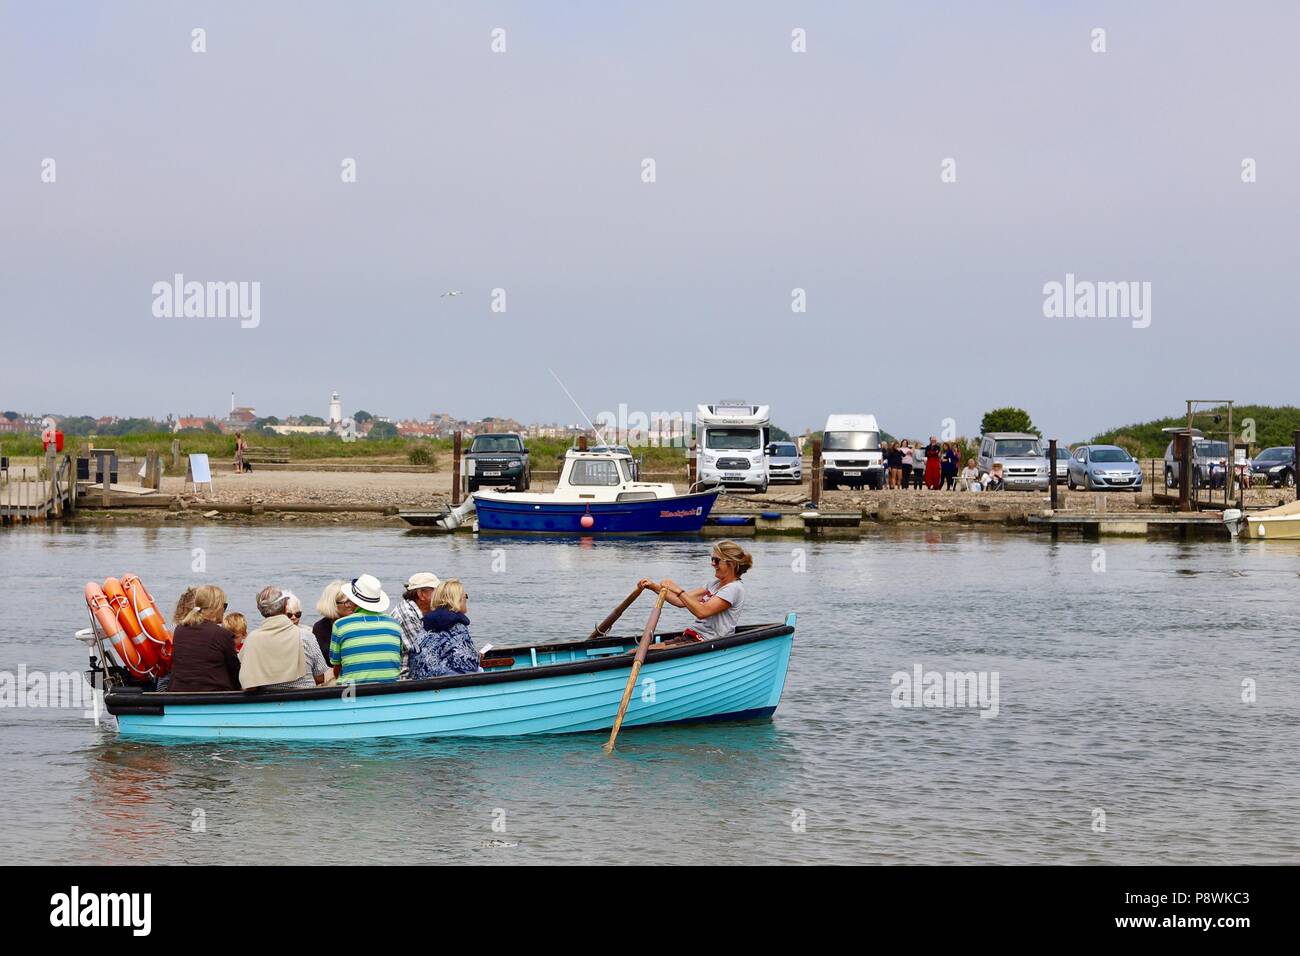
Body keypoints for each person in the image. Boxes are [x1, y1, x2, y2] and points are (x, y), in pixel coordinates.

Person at [639, 540, 751, 643]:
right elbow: (680, 601)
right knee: (634, 652)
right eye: (712, 559)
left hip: (708, 641)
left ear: (731, 564)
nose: (712, 564)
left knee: (635, 653)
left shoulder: (734, 589)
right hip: (692, 636)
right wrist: (654, 587)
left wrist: (677, 589)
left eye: (716, 560)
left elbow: (702, 612)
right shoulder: (713, 584)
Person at [330, 574, 403, 684]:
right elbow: (398, 659)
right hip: (390, 687)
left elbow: (336, 666)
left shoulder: (341, 625)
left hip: (352, 691)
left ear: (353, 601)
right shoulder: (394, 624)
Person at [169, 585, 240, 692]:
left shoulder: (179, 630)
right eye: (224, 606)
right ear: (217, 607)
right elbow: (235, 672)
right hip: (213, 695)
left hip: (179, 693)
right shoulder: (222, 634)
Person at [239, 586, 308, 691]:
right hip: (304, 694)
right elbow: (319, 676)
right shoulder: (305, 635)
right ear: (285, 607)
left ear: (260, 610)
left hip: (268, 698)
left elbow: (249, 685)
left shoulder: (252, 639)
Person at [410, 579, 481, 679]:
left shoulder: (426, 622)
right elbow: (469, 665)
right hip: (443, 685)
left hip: (420, 680)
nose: (466, 599)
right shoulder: (457, 626)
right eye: (465, 596)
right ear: (458, 599)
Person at [390, 572, 441, 679]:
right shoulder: (408, 616)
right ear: (421, 594)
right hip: (407, 677)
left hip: (417, 671)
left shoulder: (418, 610)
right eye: (437, 592)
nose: (441, 596)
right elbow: (423, 653)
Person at [285, 592, 331, 686]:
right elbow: (320, 677)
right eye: (289, 615)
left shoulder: (310, 632)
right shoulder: (308, 635)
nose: (294, 618)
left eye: (298, 614)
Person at [312, 579, 348, 663]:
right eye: (346, 602)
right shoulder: (319, 627)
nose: (350, 605)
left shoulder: (355, 624)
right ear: (333, 604)